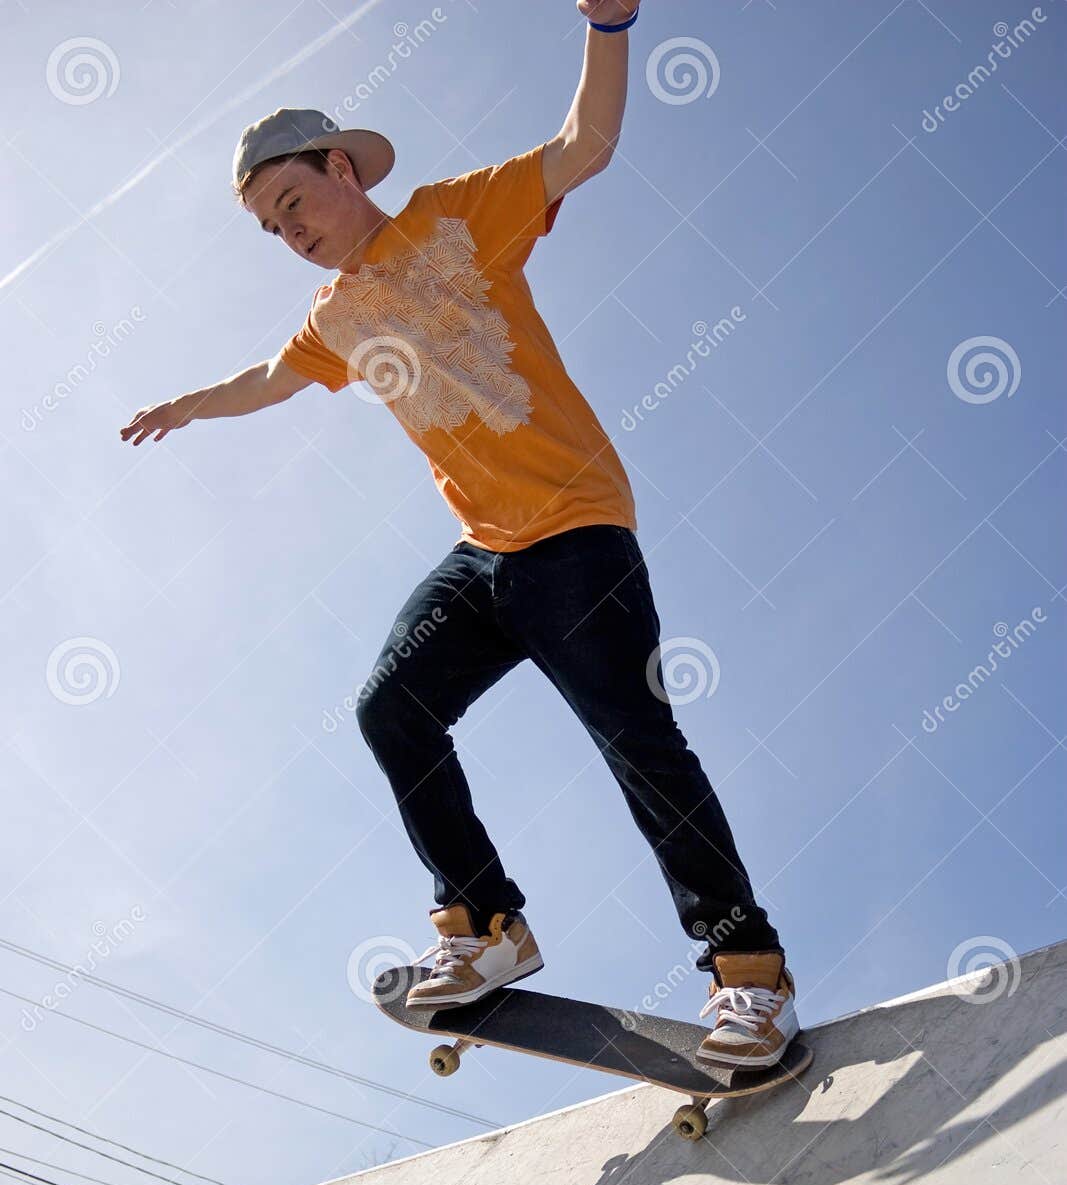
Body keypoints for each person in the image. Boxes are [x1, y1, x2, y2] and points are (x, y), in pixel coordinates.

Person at [120, 2, 797, 1071]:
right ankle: (486, 927)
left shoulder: (456, 215)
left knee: (638, 746)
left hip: (575, 531)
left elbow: (586, 146)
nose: (289, 233)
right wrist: (191, 403)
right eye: (270, 228)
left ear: (342, 168)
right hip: (483, 558)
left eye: (294, 202)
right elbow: (267, 379)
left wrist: (610, 25)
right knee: (390, 708)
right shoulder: (332, 315)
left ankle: (747, 977)